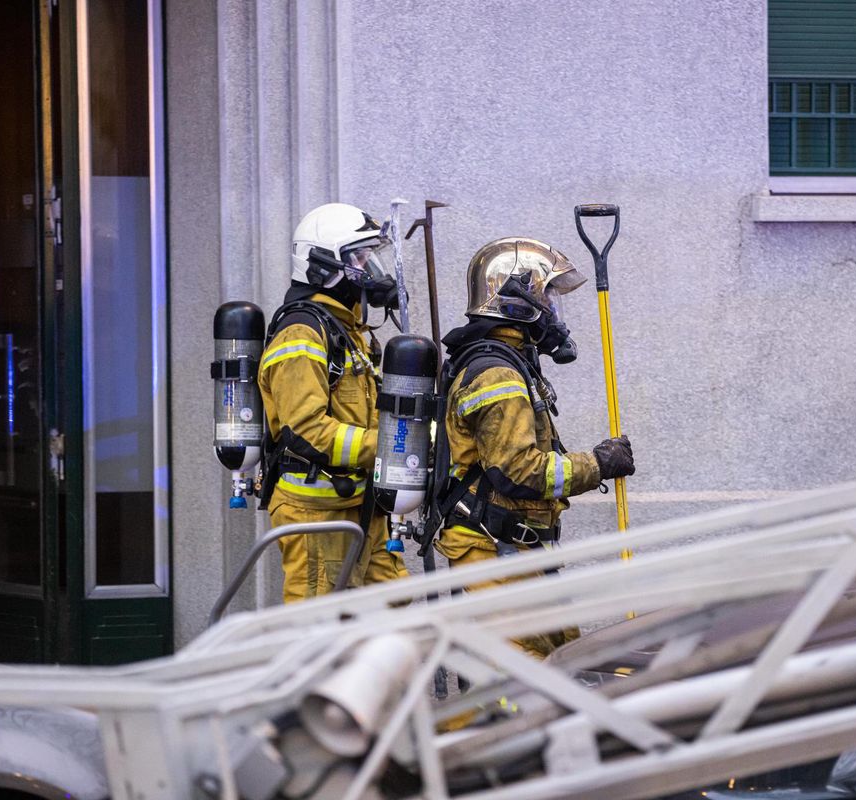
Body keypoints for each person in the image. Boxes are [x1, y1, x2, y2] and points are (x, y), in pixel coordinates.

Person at [433, 237, 636, 658]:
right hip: (496, 555)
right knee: (516, 680)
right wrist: (598, 464)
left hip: (518, 553)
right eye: (547, 298)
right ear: (516, 301)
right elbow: (519, 471)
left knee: (558, 665)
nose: (553, 313)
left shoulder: (508, 364)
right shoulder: (498, 375)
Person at [257, 203, 408, 602]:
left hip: (361, 504)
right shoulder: (301, 333)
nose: (370, 270)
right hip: (317, 514)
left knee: (400, 612)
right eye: (359, 258)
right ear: (323, 265)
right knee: (322, 629)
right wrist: (390, 448)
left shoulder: (348, 331)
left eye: (370, 256)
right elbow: (306, 431)